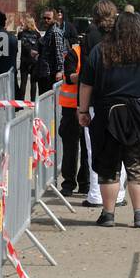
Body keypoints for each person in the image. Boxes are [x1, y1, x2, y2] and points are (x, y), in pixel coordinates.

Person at [77, 12, 140, 228]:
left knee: (108, 166)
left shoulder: (101, 50)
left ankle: (108, 214)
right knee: (137, 166)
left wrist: (83, 111)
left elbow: (86, 84)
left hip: (108, 114)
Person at [80, 0, 124, 208]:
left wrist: (82, 107)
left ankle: (97, 194)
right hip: (123, 97)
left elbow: (87, 73)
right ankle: (121, 193)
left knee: (95, 148)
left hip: (98, 98)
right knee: (123, 148)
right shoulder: (122, 35)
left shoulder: (91, 37)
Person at [57, 38, 89, 196]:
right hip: (70, 108)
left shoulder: (97, 52)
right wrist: (86, 75)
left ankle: (85, 183)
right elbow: (69, 77)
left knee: (87, 148)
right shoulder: (74, 53)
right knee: (70, 148)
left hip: (88, 107)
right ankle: (68, 183)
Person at [17, 15, 42, 101]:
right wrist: (35, 28)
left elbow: (18, 35)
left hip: (24, 61)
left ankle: (21, 101)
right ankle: (32, 101)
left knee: (23, 82)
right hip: (34, 60)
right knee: (33, 82)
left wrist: (22, 25)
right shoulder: (37, 34)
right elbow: (41, 39)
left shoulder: (22, 33)